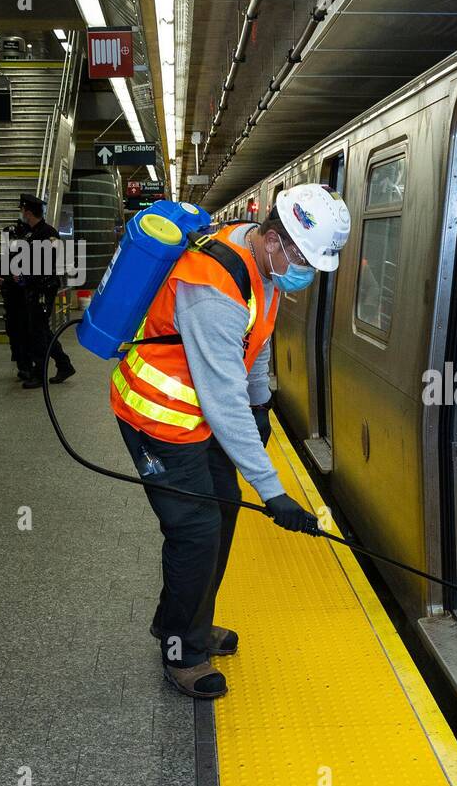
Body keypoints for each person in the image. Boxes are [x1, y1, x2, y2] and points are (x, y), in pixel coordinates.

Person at [111, 183, 351, 698]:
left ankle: (186, 621)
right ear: (273, 239)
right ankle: (183, 650)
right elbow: (221, 397)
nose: (303, 272)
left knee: (222, 508)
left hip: (197, 414)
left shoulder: (261, 268)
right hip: (158, 416)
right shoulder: (215, 286)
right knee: (195, 530)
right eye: (302, 258)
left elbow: (256, 341)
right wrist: (274, 490)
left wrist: (261, 402)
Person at [17, 193, 76, 389]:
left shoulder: (48, 233)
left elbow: (49, 264)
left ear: (29, 211)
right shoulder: (29, 233)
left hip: (44, 288)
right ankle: (64, 364)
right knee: (41, 329)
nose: (22, 213)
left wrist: (29, 277)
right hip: (32, 288)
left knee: (38, 331)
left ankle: (39, 372)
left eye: (23, 210)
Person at [0, 217, 29, 379]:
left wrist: (7, 280)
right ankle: (21, 362)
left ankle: (25, 365)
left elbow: (21, 279)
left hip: (21, 300)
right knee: (14, 332)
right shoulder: (6, 256)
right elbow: (0, 275)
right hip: (10, 300)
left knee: (22, 333)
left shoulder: (23, 256)